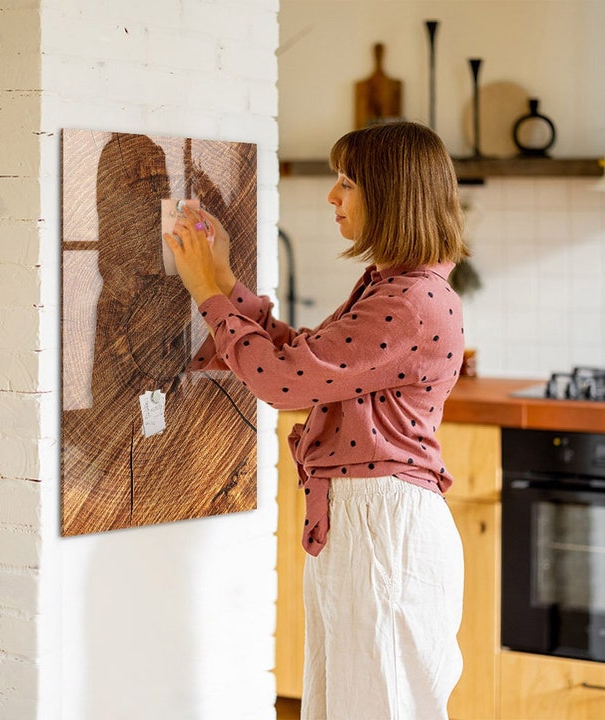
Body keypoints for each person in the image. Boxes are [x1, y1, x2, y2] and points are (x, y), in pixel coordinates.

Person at [166, 121, 467, 719]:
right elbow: (306, 359)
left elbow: (284, 382)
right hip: (367, 522)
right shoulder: (394, 288)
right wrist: (226, 283)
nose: (333, 197)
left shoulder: (409, 302)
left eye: (347, 182)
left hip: (383, 527)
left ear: (391, 194)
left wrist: (207, 292)